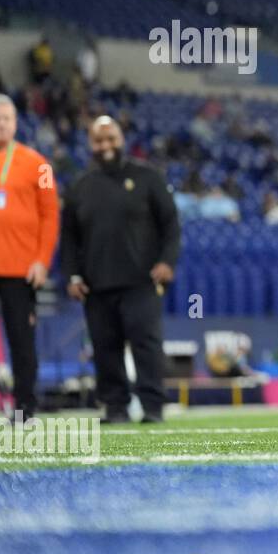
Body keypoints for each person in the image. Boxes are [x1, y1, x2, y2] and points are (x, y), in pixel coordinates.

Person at [61, 116, 180, 424]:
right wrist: (72, 276)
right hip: (96, 284)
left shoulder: (148, 177)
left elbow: (171, 225)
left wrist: (167, 262)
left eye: (110, 138)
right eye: (99, 140)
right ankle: (115, 408)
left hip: (142, 280)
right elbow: (69, 239)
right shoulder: (79, 188)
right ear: (90, 144)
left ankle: (153, 407)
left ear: (121, 139)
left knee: (146, 344)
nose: (106, 145)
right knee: (105, 348)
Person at [0, 95, 59, 419]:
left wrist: (42, 259)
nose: (0, 123)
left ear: (16, 122)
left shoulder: (40, 165)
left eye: (6, 118)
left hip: (20, 268)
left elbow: (51, 215)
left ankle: (23, 407)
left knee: (21, 340)